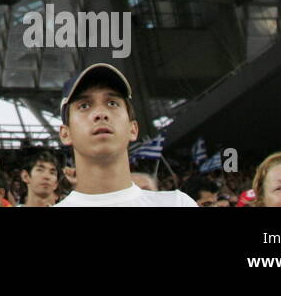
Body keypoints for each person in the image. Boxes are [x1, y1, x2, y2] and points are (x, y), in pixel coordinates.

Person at [55, 63, 197, 207]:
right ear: (65, 133)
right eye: (84, 105)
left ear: (133, 129)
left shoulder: (178, 203)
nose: (100, 114)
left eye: (112, 103)